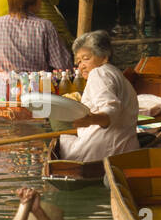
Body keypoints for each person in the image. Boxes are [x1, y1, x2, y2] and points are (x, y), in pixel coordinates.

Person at [57, 30, 140, 162]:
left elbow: (111, 110)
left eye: (86, 59)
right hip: (128, 149)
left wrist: (90, 120)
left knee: (58, 144)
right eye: (78, 62)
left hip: (103, 152)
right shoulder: (115, 72)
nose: (81, 66)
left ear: (104, 57)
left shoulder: (98, 74)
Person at [0, 0, 73, 74]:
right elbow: (62, 66)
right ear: (34, 0)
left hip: (1, 87)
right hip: (34, 87)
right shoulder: (44, 27)